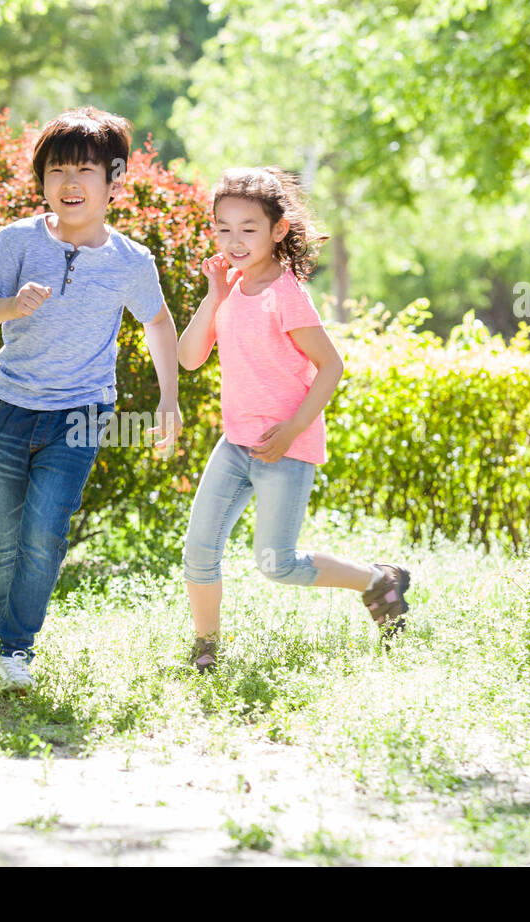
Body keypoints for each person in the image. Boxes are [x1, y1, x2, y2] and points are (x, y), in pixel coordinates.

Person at [0, 106, 182, 692]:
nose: (69, 183)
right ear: (42, 181)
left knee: (44, 530)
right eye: (56, 170)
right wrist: (11, 306)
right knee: (2, 532)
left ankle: (14, 648)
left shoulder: (130, 261)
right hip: (10, 407)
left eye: (84, 169)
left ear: (113, 181)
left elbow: (159, 325)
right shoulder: (17, 240)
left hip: (82, 415)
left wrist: (169, 400)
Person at [176, 166, 410, 673]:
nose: (234, 241)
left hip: (286, 447)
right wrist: (213, 294)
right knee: (198, 550)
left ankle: (379, 582)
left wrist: (292, 430)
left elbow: (331, 366)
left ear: (277, 230)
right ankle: (206, 647)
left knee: (276, 565)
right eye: (223, 228)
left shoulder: (287, 294)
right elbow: (189, 357)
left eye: (248, 228)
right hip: (236, 443)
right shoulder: (230, 287)